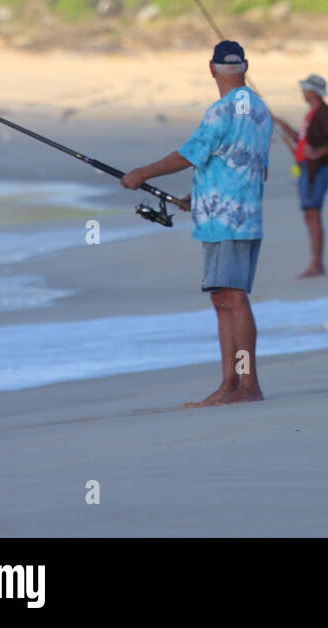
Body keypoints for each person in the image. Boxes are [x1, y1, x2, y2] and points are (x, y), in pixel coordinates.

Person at [121, 40, 273, 405]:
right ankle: (229, 385)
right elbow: (249, 165)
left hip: (226, 221)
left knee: (233, 299)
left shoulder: (220, 111)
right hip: (242, 214)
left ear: (211, 68)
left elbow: (189, 154)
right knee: (223, 298)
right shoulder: (261, 110)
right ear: (245, 66)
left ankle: (248, 386)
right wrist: (197, 197)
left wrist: (143, 173)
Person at [273, 74, 328, 279]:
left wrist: (318, 153)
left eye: (305, 89)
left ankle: (316, 264)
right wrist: (284, 127)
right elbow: (302, 141)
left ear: (313, 92)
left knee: (313, 213)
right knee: (309, 214)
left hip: (316, 169)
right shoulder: (312, 114)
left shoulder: (325, 113)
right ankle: (315, 263)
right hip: (305, 168)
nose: (302, 93)